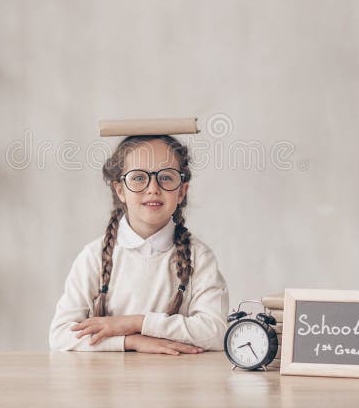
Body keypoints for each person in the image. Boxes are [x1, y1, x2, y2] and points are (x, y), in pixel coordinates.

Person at [49, 134, 229, 354]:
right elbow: (60, 335)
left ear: (182, 191)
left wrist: (137, 323)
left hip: (177, 384)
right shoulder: (94, 256)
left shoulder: (199, 257)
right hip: (109, 387)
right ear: (120, 190)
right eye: (138, 178)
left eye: (166, 177)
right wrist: (131, 341)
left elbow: (217, 333)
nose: (153, 188)